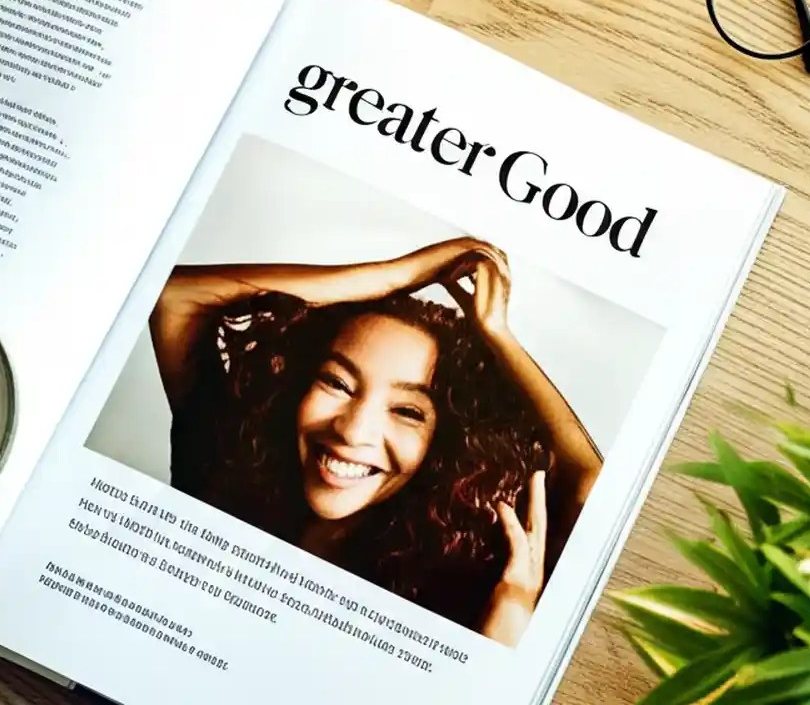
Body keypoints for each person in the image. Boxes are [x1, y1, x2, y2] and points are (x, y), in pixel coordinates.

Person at [148, 237, 603, 646]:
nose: (352, 431)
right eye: (336, 383)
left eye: (407, 411)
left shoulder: (455, 600)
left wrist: (511, 614)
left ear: (443, 443)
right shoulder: (224, 469)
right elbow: (174, 297)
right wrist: (398, 274)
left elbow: (594, 484)